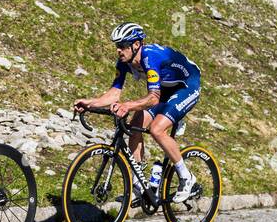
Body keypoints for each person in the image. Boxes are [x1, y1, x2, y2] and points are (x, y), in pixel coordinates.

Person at [73, 23, 202, 203]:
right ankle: (139, 185)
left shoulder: (150, 57)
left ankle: (187, 178)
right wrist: (90, 103)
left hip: (187, 86)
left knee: (157, 129)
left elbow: (153, 98)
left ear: (136, 44)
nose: (119, 50)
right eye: (117, 45)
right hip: (166, 89)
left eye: (123, 45)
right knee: (134, 126)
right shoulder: (124, 62)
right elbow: (114, 93)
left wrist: (127, 106)